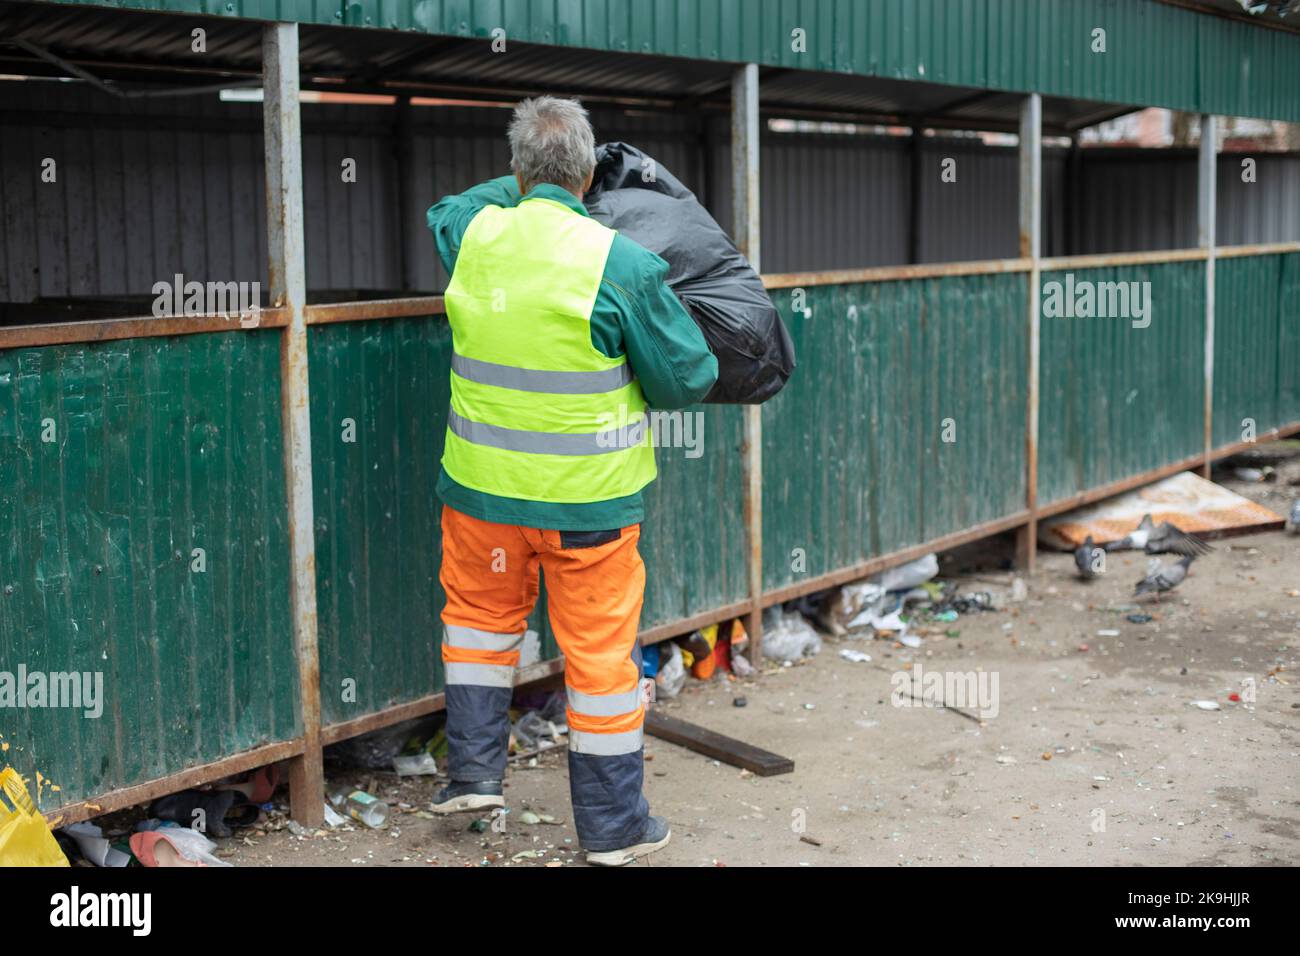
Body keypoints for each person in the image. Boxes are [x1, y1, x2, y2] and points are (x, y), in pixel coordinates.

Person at [424, 96, 718, 865]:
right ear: (589, 175)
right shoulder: (618, 261)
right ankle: (614, 830)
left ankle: (474, 778)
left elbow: (449, 208)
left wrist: (530, 178)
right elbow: (688, 378)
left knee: (479, 634)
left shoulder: (476, 232)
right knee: (599, 661)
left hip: (482, 498)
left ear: (518, 173)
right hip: (588, 507)